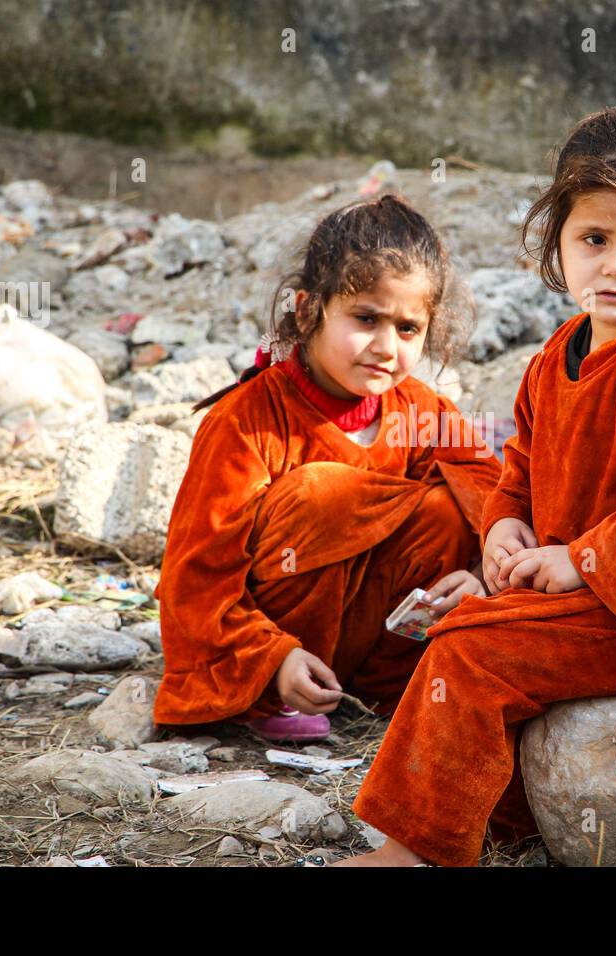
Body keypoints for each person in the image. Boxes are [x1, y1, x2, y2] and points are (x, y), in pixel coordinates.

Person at [337, 107, 616, 866]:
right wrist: (504, 526)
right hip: (578, 592)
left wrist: (583, 561)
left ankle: (413, 855)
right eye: (594, 239)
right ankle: (511, 820)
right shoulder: (558, 352)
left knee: (470, 654)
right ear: (557, 243)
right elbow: (522, 465)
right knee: (452, 617)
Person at [153, 194, 502, 744]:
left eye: (408, 329)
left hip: (377, 664)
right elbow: (195, 579)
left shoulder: (423, 411)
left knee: (448, 507)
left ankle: (392, 692)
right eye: (365, 319)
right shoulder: (246, 420)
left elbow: (498, 498)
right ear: (308, 309)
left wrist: (482, 576)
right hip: (277, 658)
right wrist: (274, 658)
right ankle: (282, 694)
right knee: (322, 492)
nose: (387, 347)